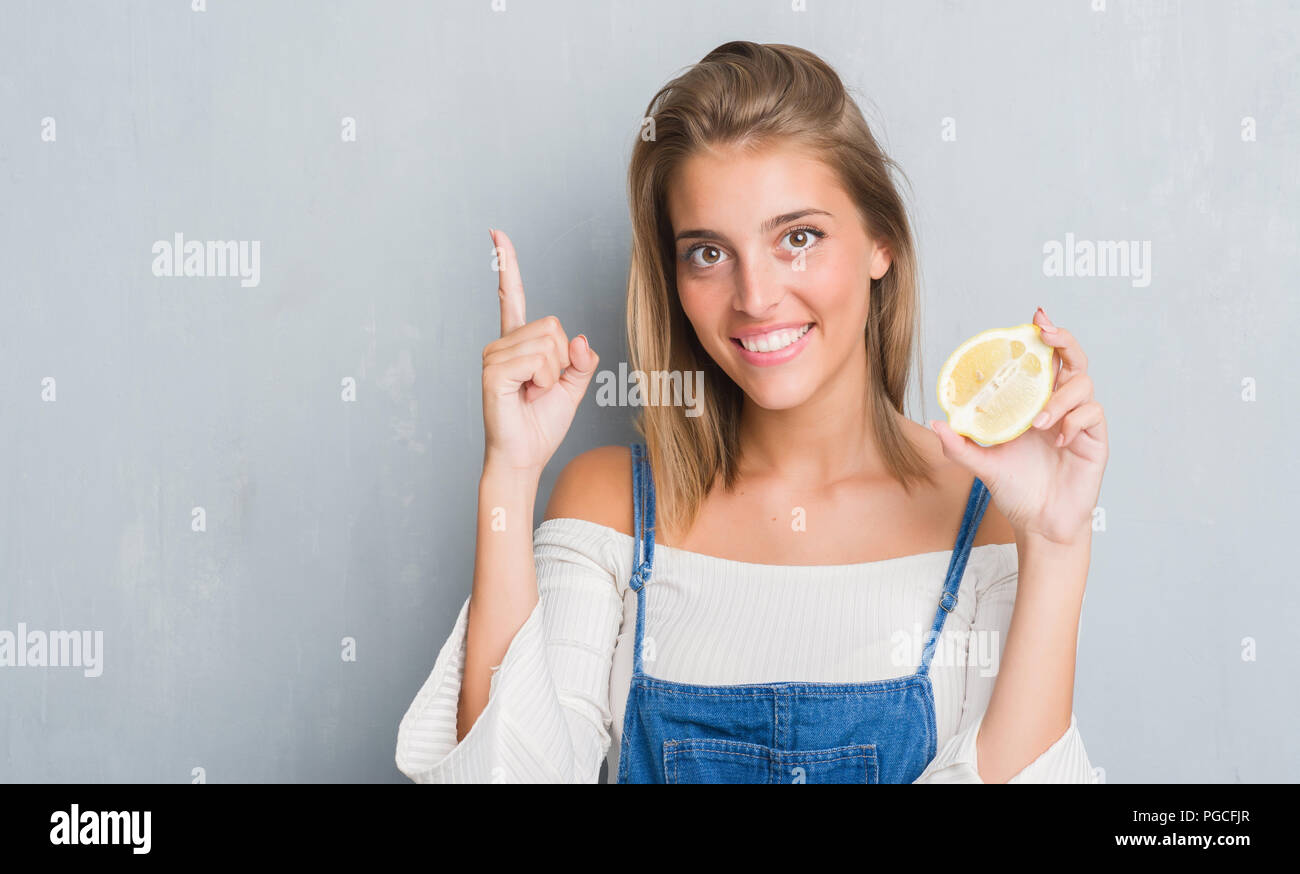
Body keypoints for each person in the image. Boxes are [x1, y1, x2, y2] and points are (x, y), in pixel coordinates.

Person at [396, 40, 1108, 783]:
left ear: (880, 243)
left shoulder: (987, 515)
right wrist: (509, 476)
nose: (756, 296)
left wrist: (1058, 548)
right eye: (708, 252)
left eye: (798, 238)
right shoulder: (610, 507)